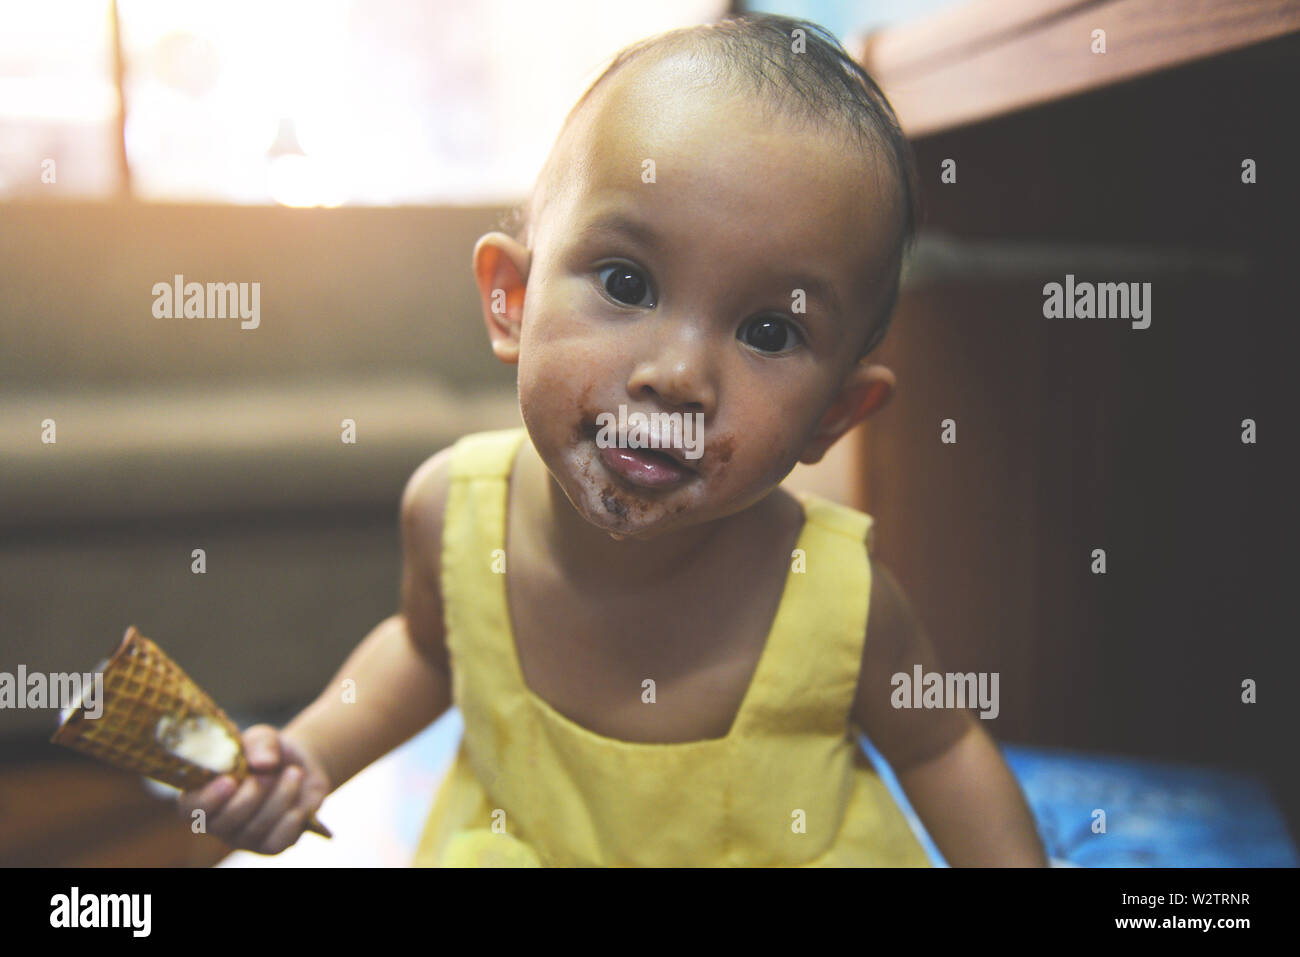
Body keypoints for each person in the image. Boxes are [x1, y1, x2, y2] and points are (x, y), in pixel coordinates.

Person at [178, 13, 1047, 866]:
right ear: (510, 300)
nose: (676, 373)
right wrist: (314, 754)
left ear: (833, 416)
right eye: (627, 282)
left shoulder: (837, 596)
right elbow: (423, 651)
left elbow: (942, 747)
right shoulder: (453, 512)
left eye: (768, 333)